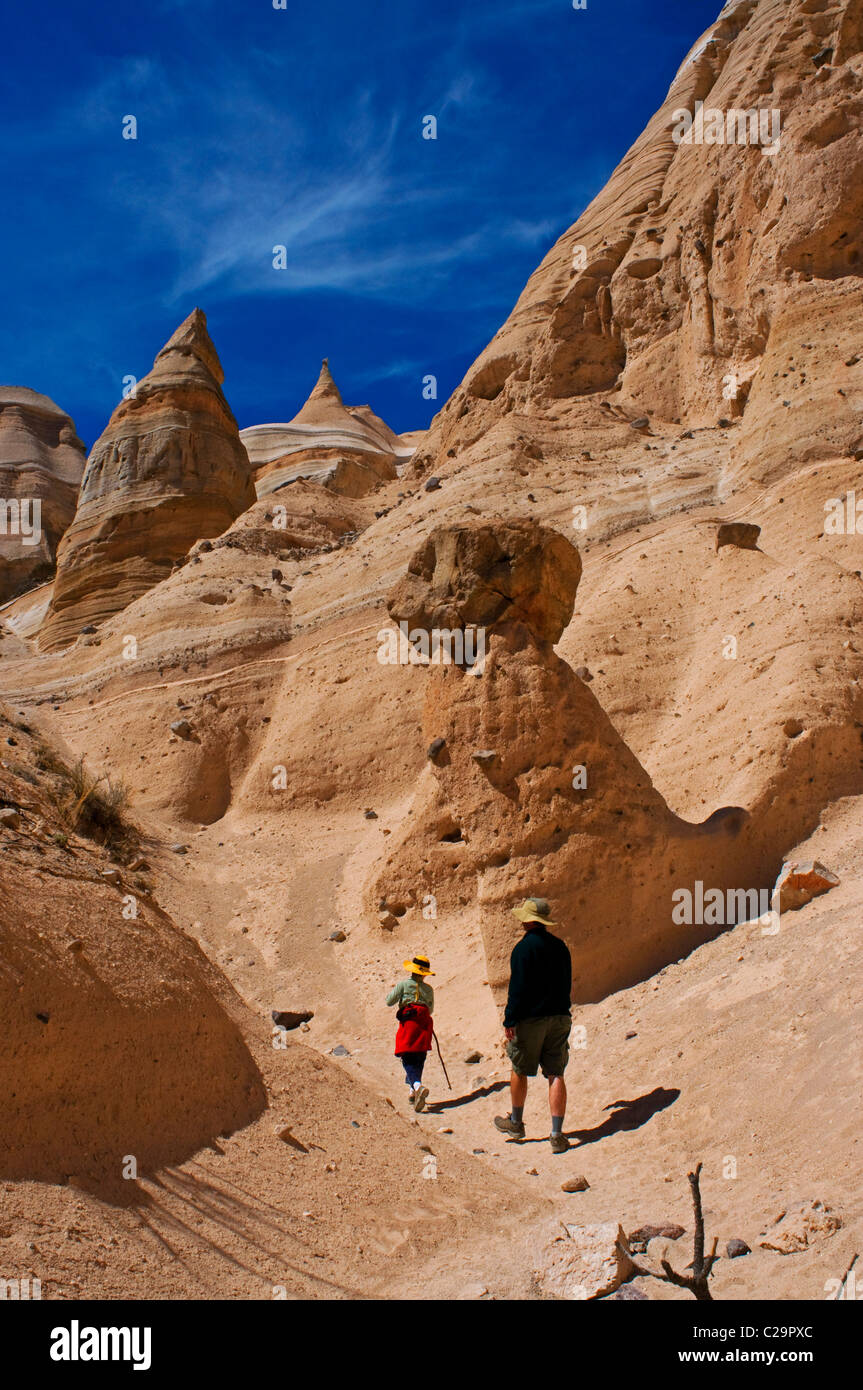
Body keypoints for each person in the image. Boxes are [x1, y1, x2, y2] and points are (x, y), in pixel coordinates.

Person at [494, 897, 572, 1153]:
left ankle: (516, 1124)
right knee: (556, 1073)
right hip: (559, 1016)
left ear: (527, 921)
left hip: (530, 1019)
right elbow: (566, 983)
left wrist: (510, 1019)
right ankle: (557, 1134)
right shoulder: (561, 947)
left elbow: (517, 989)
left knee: (519, 1067)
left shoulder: (522, 949)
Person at [385, 954, 435, 1112]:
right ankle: (413, 1091)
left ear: (412, 970)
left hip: (409, 1023)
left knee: (406, 1055)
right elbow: (430, 1009)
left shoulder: (403, 985)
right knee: (419, 1055)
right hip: (425, 1023)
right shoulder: (429, 989)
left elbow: (389, 1001)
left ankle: (417, 1086)